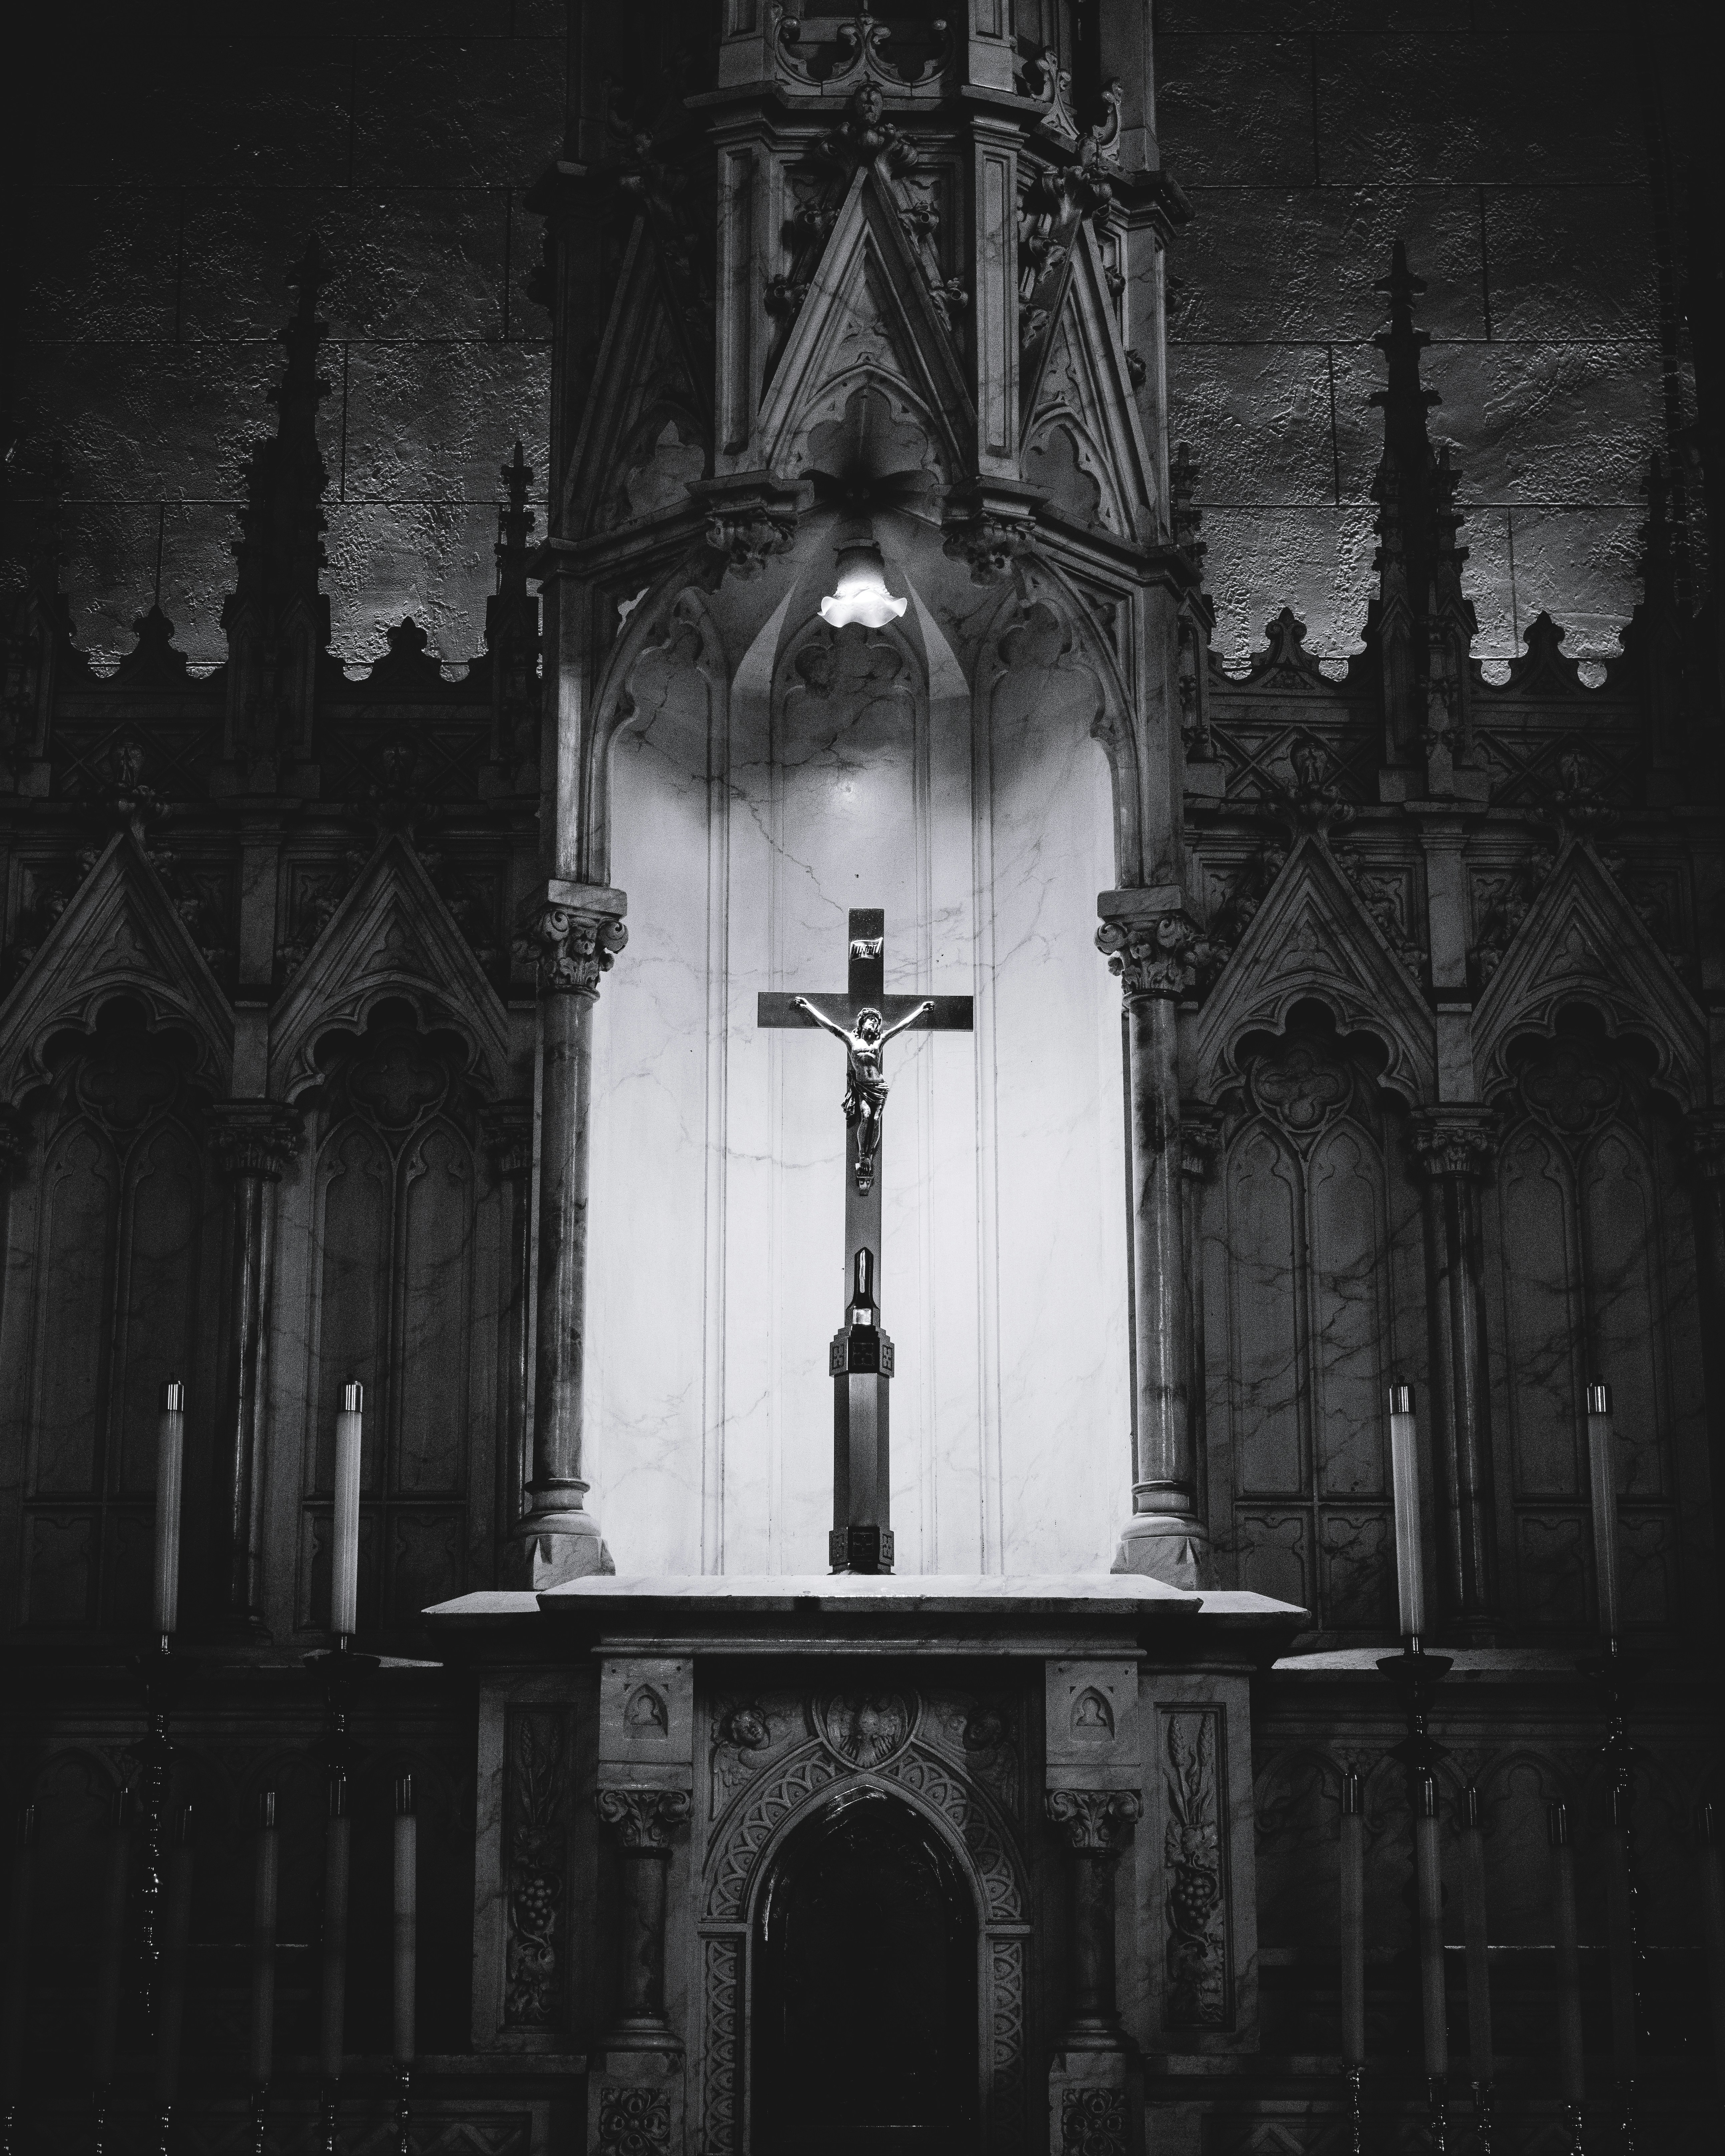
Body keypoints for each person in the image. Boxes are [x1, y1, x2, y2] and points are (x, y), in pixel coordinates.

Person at [792, 996, 933, 1193]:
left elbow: (902, 1026)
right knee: (866, 1116)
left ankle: (870, 1155)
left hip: (879, 1086)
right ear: (862, 1022)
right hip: (863, 1087)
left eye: (876, 1022)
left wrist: (921, 1010)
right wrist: (808, 1008)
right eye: (871, 1020)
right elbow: (830, 1026)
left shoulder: (880, 1041)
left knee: (876, 1119)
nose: (874, 1024)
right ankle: (862, 1155)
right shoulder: (851, 1041)